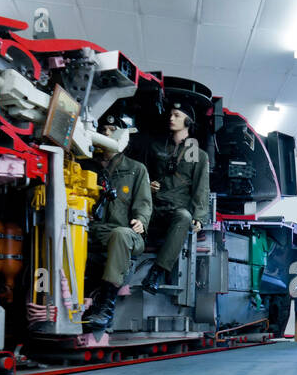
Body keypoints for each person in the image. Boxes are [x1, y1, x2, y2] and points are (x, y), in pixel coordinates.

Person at [83, 120, 152, 332]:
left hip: (127, 234)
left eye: (112, 130)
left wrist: (141, 220)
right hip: (95, 230)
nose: (106, 133)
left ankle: (106, 308)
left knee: (120, 235)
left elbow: (144, 203)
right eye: (103, 129)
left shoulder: (135, 169)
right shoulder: (87, 166)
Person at [141, 100, 209, 293]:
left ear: (188, 122)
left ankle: (157, 271)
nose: (171, 118)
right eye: (170, 114)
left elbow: (201, 187)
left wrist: (199, 217)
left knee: (184, 217)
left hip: (176, 209)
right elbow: (143, 174)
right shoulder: (156, 147)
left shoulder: (197, 153)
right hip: (153, 206)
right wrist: (149, 185)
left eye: (177, 116)